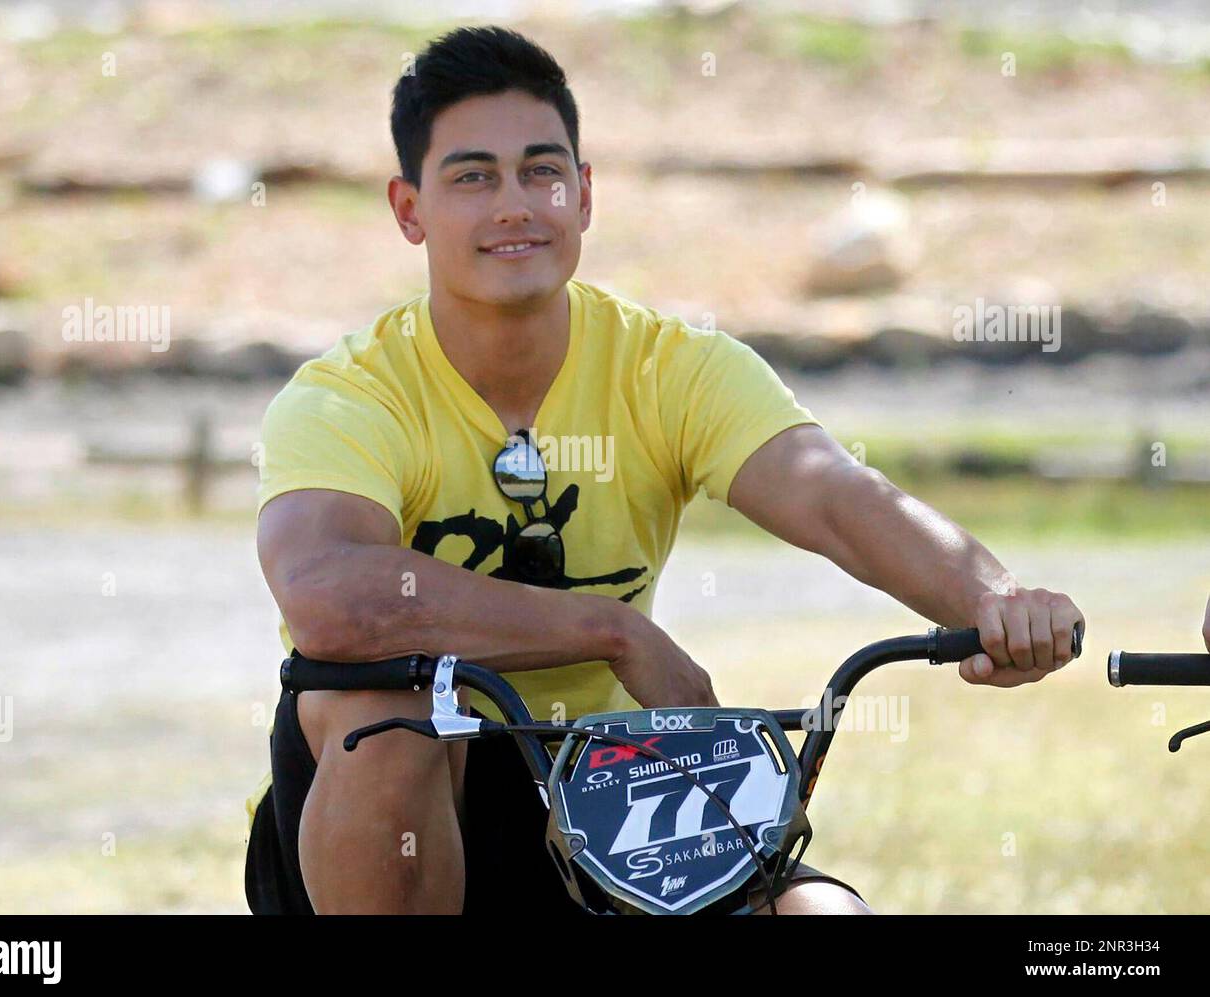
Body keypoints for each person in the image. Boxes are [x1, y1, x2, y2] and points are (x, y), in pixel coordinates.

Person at [243, 26, 1086, 916]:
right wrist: (611, 631)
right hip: (384, 814)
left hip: (608, 794)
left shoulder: (668, 365)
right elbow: (331, 597)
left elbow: (834, 495)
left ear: (585, 194)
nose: (515, 205)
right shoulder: (348, 395)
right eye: (472, 177)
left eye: (542, 171)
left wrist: (993, 598)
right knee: (396, 712)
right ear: (409, 209)